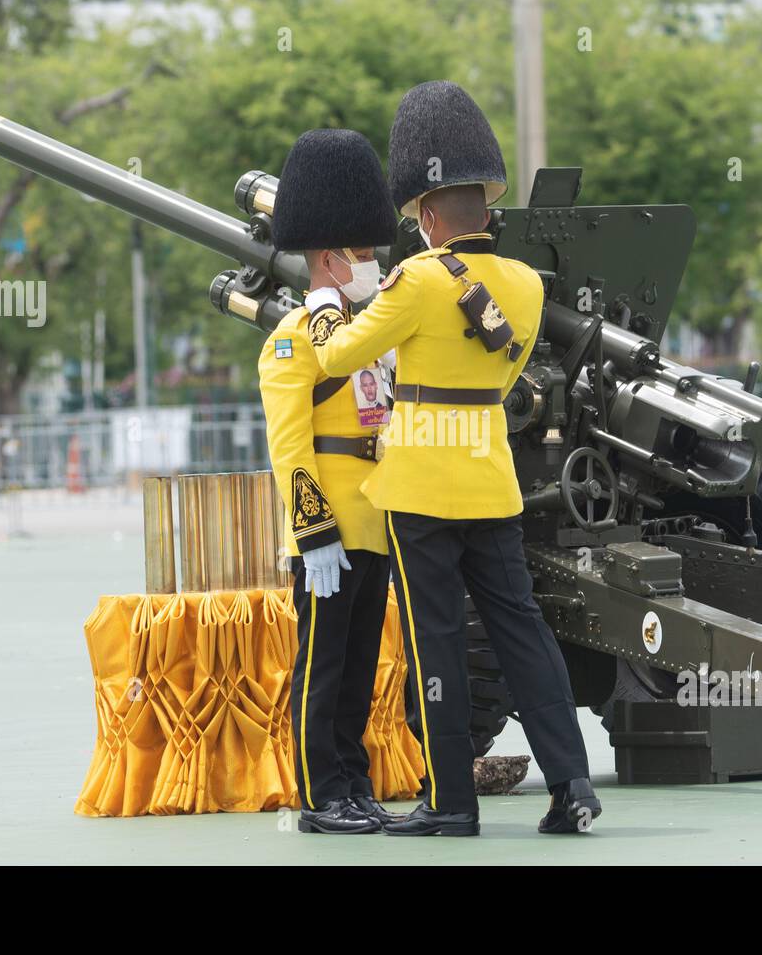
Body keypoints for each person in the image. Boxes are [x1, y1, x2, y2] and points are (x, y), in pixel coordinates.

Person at [308, 81, 601, 836]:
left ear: (429, 216)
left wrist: (320, 304)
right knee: (523, 633)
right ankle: (571, 785)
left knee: (435, 635)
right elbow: (506, 380)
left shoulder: (415, 280)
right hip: (490, 477)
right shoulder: (528, 287)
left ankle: (449, 800)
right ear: (485, 209)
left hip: (419, 487)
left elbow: (340, 354)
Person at [257, 128, 401, 834]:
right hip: (330, 529)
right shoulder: (290, 338)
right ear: (327, 258)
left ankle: (355, 780)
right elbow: (291, 447)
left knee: (359, 668)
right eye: (363, 253)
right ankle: (320, 793)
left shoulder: (367, 334)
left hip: (374, 520)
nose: (372, 263)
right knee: (323, 669)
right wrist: (314, 529)